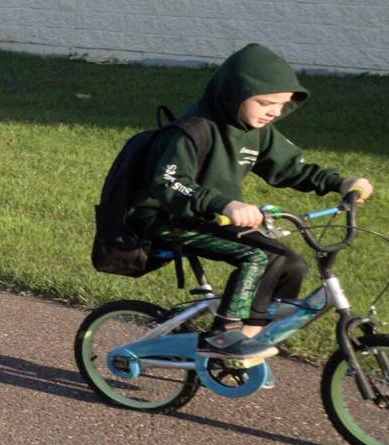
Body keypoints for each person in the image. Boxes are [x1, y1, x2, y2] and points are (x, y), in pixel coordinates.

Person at [127, 43, 374, 362]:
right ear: (234, 94)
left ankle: (250, 339)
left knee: (291, 263)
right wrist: (226, 205)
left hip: (211, 218)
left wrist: (339, 183)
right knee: (257, 255)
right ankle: (222, 335)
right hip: (168, 219)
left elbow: (291, 168)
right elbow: (169, 183)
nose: (274, 112)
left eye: (282, 105)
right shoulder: (191, 131)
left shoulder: (257, 132)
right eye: (265, 103)